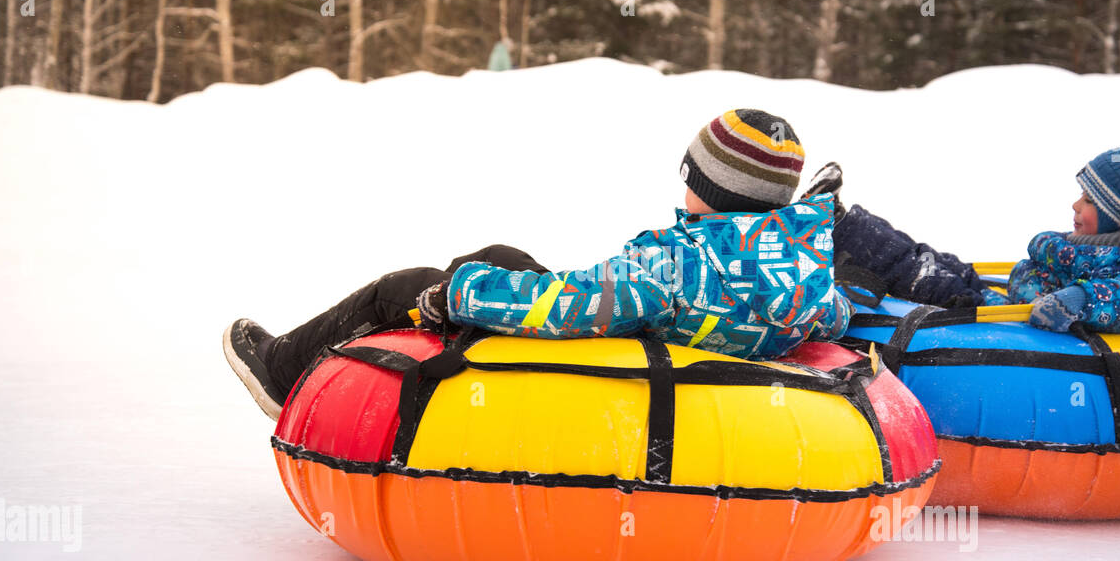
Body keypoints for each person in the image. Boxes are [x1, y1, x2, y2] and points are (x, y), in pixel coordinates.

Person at [225, 110, 854, 419]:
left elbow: (569, 307)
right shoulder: (800, 272)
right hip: (670, 339)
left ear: (709, 189)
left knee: (407, 286)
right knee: (500, 257)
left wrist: (457, 295)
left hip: (607, 360)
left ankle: (283, 372)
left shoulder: (676, 262)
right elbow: (832, 315)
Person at [807, 127, 1120, 335]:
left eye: (1088, 201)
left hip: (1009, 317)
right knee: (932, 259)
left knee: (926, 277)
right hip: (1010, 294)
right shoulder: (1107, 247)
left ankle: (837, 231)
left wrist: (1080, 300)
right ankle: (841, 224)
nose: (1075, 206)